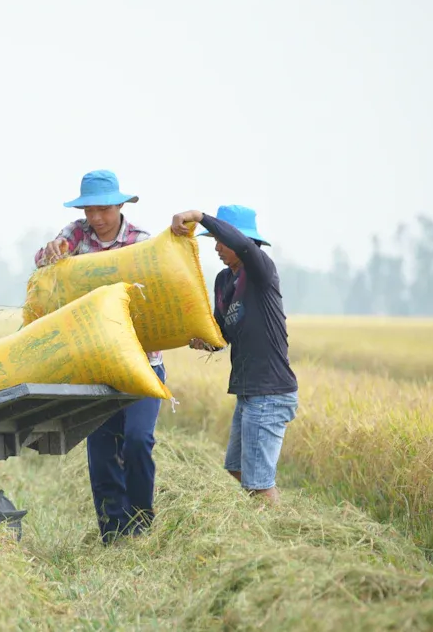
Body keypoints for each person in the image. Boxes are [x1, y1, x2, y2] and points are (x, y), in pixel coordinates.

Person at [36, 169, 168, 543]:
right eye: (90, 209)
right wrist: (51, 252)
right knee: (101, 451)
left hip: (143, 362)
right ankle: (113, 532)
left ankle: (141, 522)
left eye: (103, 209)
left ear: (120, 206)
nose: (96, 217)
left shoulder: (141, 242)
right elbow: (43, 258)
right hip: (95, 365)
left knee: (138, 441)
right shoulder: (76, 235)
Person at [171, 205, 298, 505]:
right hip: (248, 391)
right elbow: (222, 335)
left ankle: (275, 529)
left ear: (243, 241)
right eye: (213, 240)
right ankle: (267, 515)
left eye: (220, 240)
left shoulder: (260, 270)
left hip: (269, 391)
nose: (216, 247)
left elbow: (240, 243)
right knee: (237, 468)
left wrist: (200, 217)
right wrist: (203, 341)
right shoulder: (224, 281)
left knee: (258, 483)